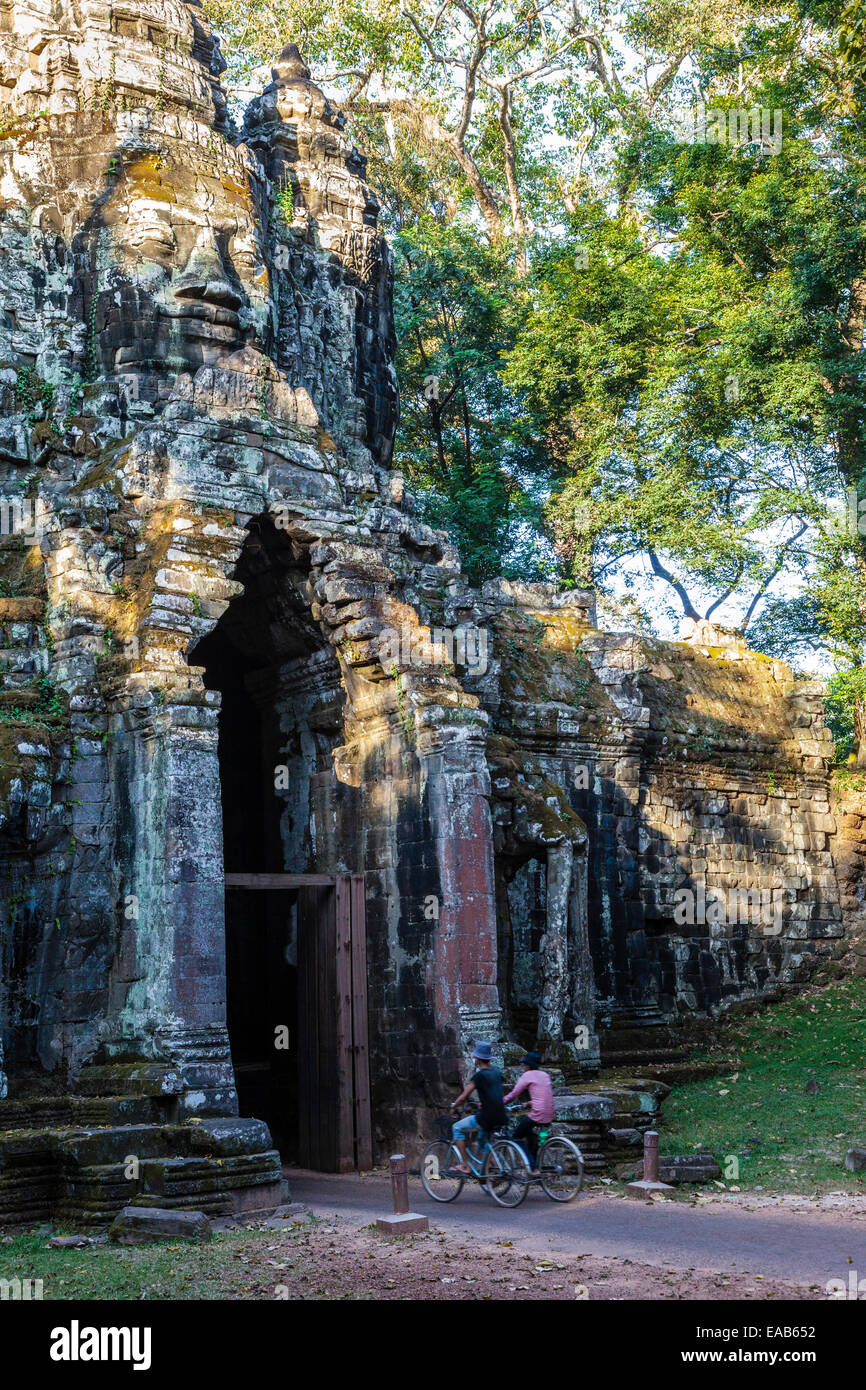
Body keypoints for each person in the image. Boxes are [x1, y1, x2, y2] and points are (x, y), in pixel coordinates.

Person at [449, 1041, 508, 1174]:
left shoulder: (479, 1076)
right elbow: (494, 1093)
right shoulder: (496, 1072)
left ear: (477, 1058)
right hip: (501, 1115)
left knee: (456, 1128)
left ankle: (465, 1165)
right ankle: (495, 1167)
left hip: (487, 1117)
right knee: (482, 1139)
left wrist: (454, 1107)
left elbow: (464, 1097)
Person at [503, 1051, 555, 1176]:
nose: (523, 1067)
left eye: (524, 1065)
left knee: (516, 1137)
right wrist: (529, 1103)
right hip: (550, 1113)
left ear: (528, 1065)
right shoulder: (545, 1075)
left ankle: (533, 1168)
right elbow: (544, 1096)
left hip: (538, 1113)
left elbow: (513, 1095)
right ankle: (534, 1169)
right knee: (531, 1137)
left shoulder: (527, 1075)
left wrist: (500, 1102)